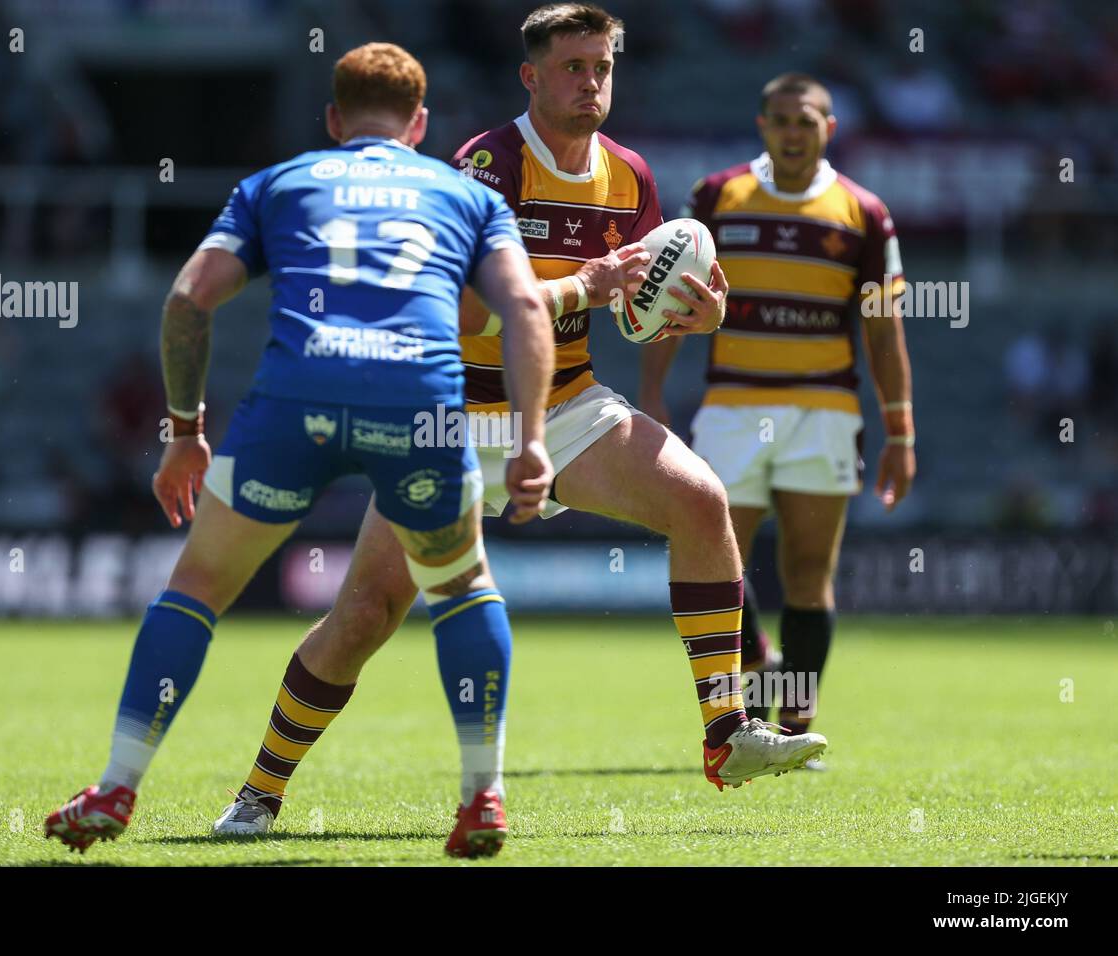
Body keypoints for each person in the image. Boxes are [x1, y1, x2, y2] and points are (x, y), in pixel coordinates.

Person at [215, 4, 828, 843]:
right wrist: (593, 280)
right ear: (531, 78)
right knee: (366, 614)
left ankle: (727, 734)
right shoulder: (486, 167)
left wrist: (700, 311)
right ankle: (258, 792)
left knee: (700, 501)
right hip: (451, 410)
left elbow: (643, 302)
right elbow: (467, 311)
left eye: (602, 66)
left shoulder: (629, 176)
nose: (591, 82)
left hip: (565, 401)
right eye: (573, 67)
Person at [44, 41, 556, 858]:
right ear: (419, 124)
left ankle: (117, 785)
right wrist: (531, 441)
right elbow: (527, 308)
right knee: (461, 586)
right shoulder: (463, 194)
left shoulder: (278, 183)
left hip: (296, 401)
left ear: (331, 120)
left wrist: (183, 433)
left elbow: (188, 298)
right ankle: (482, 798)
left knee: (199, 586)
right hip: (416, 403)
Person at [639, 72, 917, 753]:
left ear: (829, 129)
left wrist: (900, 429)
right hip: (733, 406)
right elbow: (671, 302)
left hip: (824, 410)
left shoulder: (864, 213)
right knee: (717, 554)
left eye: (808, 121)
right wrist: (652, 395)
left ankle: (793, 727)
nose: (795, 132)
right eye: (782, 120)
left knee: (808, 572)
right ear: (762, 125)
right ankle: (757, 680)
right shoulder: (717, 196)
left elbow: (884, 329)